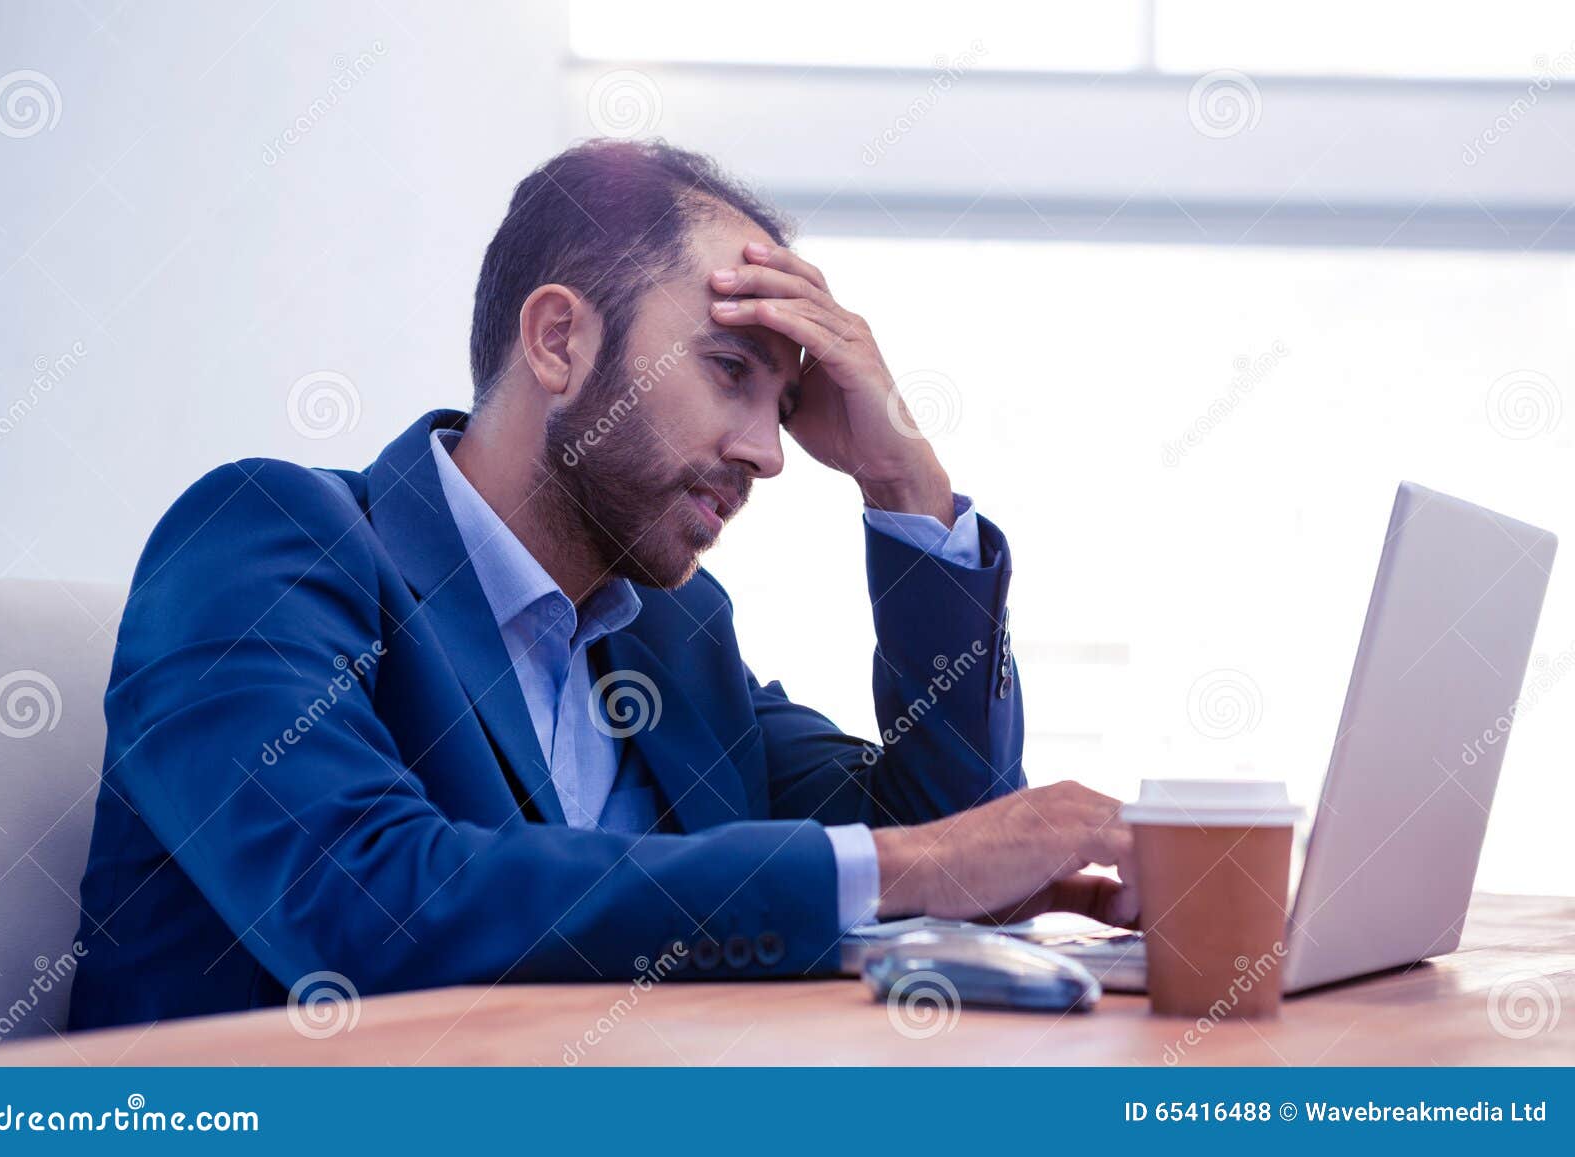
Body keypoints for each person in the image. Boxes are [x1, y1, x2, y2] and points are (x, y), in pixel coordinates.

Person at [68, 139, 1135, 1030]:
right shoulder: (266, 537)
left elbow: (943, 832)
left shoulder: (673, 633)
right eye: (728, 371)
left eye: (786, 404)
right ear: (560, 340)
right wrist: (922, 862)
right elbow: (368, 906)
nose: (769, 453)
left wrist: (902, 477)